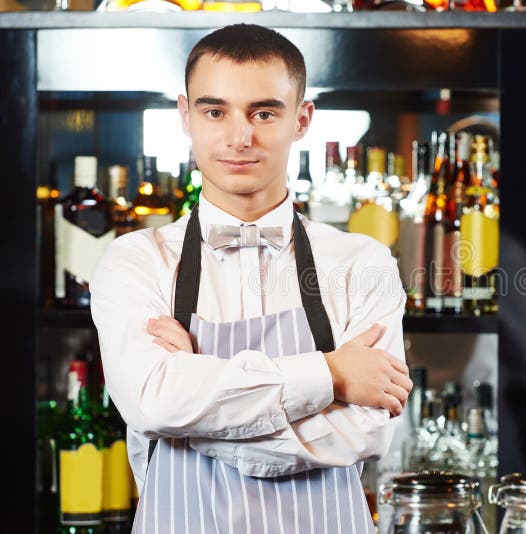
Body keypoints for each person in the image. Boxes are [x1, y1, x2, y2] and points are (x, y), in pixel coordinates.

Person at [90, 24, 412, 533]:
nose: (239, 137)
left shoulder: (363, 262)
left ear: (302, 119)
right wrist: (331, 375)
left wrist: (194, 420)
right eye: (215, 111)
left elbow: (364, 434)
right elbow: (152, 400)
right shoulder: (134, 261)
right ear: (185, 116)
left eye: (264, 112)